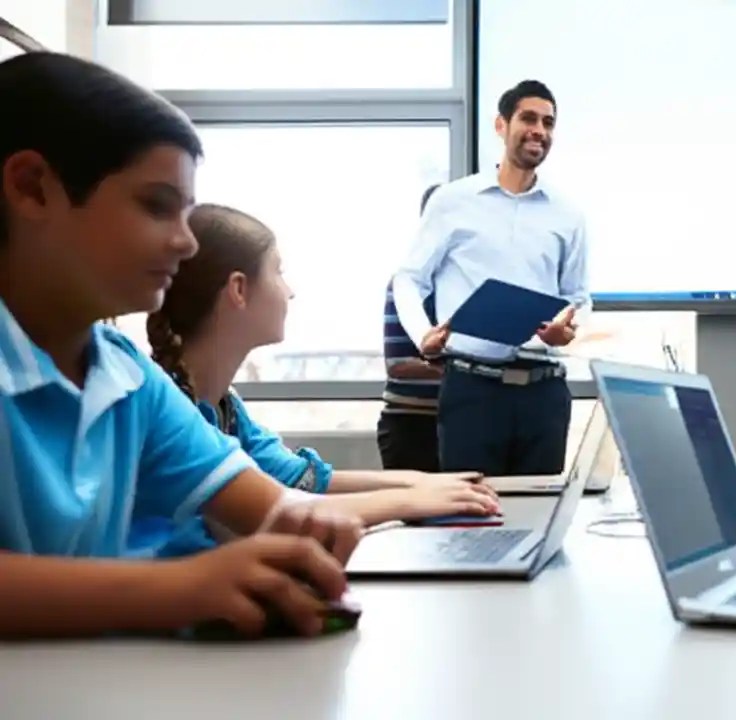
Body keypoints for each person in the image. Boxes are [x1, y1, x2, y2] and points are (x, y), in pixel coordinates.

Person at [0, 52, 360, 639]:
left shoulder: (126, 375)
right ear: (33, 189)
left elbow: (266, 506)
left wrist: (305, 528)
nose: (187, 244)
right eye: (156, 206)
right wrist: (181, 587)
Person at [133, 202, 501, 558]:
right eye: (277, 271)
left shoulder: (225, 408)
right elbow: (281, 513)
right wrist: (413, 499)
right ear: (238, 290)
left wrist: (423, 482)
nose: (289, 290)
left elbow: (304, 480)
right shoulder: (176, 414)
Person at [393, 79, 589, 476]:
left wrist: (567, 328)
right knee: (470, 521)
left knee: (540, 517)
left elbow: (578, 296)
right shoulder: (453, 201)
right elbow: (409, 278)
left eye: (548, 123)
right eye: (528, 118)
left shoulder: (568, 214)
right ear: (501, 126)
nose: (539, 130)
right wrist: (423, 335)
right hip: (473, 391)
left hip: (544, 393)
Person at [377, 184, 445, 472]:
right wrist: (462, 371)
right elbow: (398, 365)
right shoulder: (407, 284)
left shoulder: (474, 285)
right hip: (412, 424)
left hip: (463, 422)